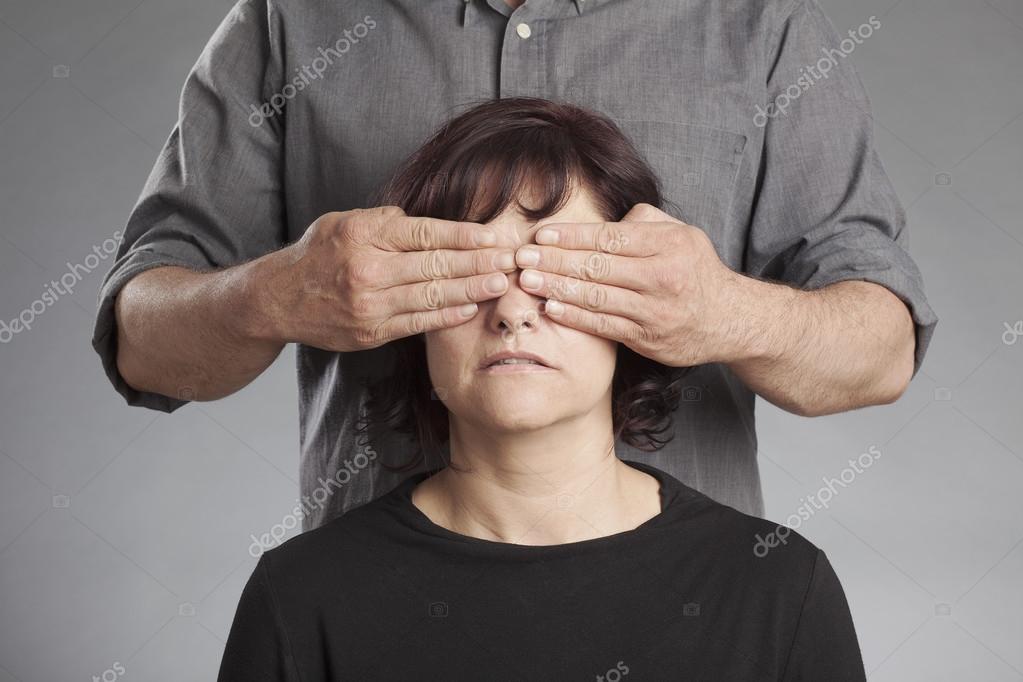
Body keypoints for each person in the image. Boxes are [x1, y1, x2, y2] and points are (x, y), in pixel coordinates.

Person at [92, 0, 938, 528]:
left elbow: (882, 350)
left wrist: (727, 313)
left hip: (688, 623)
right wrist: (269, 297)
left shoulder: (762, 25)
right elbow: (142, 344)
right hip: (377, 623)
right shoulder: (290, 19)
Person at [216, 97, 867, 681]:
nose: (511, 311)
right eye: (474, 273)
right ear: (410, 315)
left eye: (552, 272)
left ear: (635, 307)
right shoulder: (303, 594)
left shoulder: (777, 587)